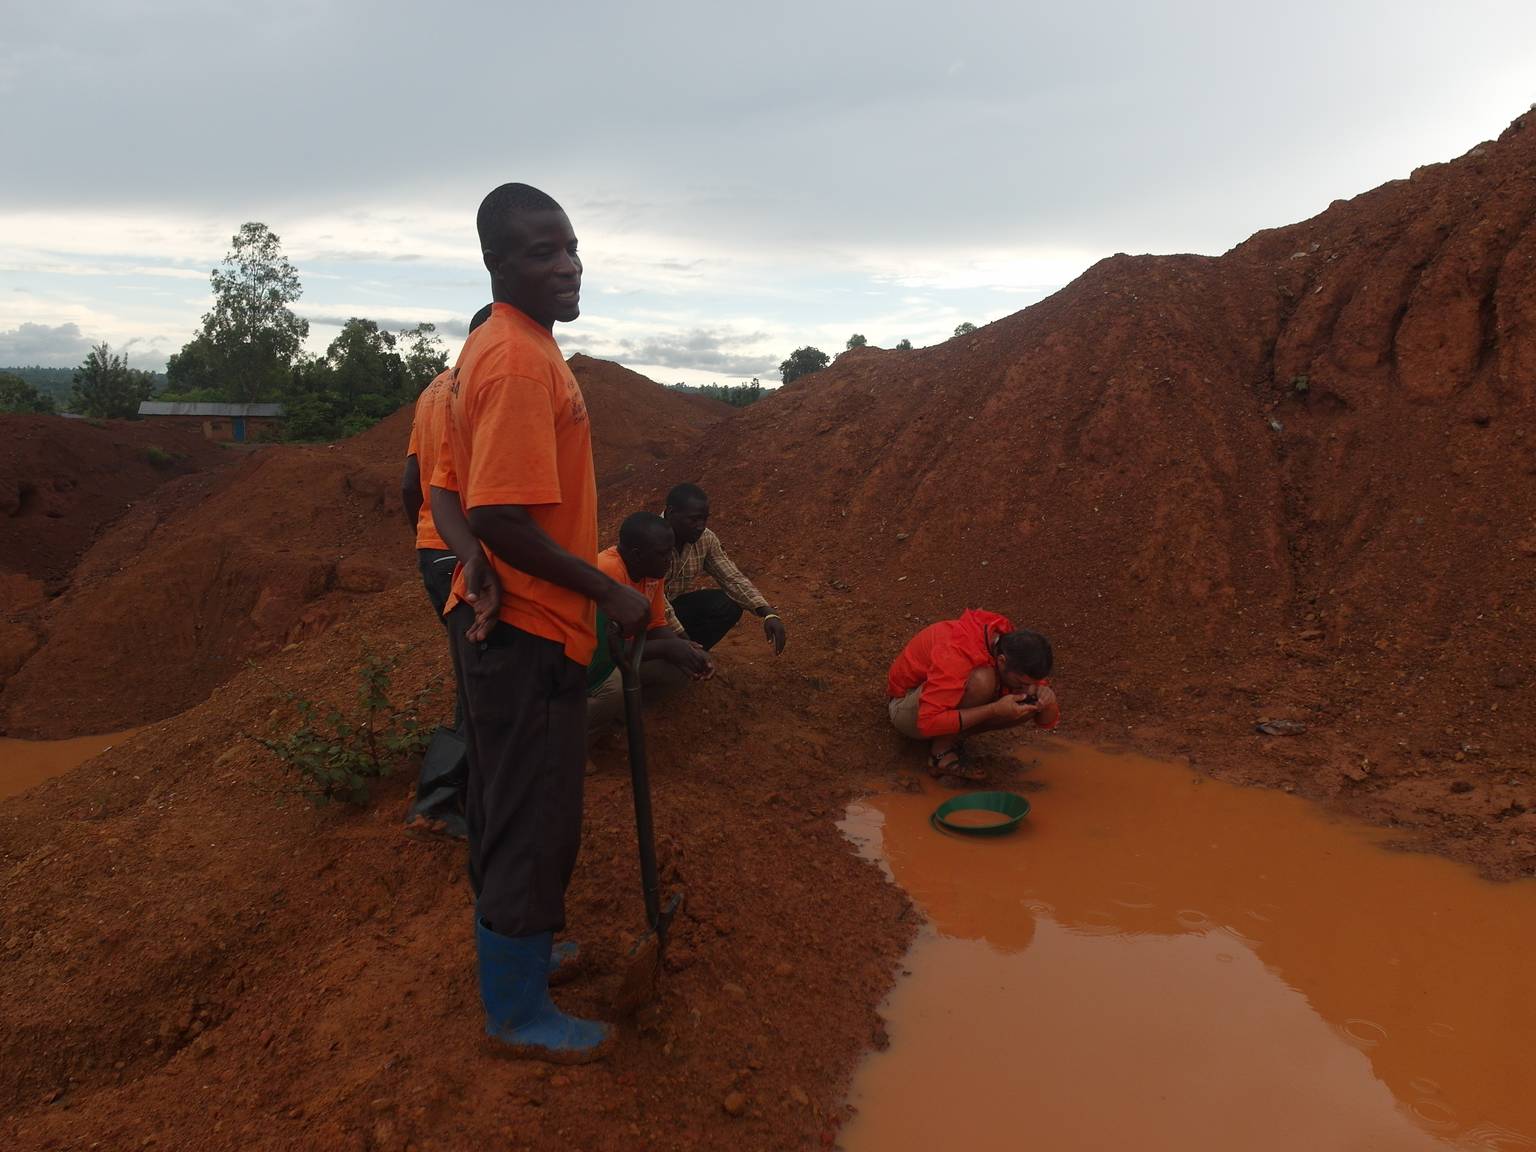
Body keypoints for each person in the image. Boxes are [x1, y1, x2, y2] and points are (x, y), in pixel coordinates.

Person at [428, 182, 650, 1063]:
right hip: (529, 635)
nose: (567, 266)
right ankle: (516, 1014)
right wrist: (611, 594)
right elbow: (502, 516)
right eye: (540, 252)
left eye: (570, 247)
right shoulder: (518, 362)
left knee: (502, 801)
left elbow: (453, 492)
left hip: (503, 622)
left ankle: (520, 956)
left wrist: (470, 559)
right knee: (533, 817)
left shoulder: (484, 348)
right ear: (497, 265)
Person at [400, 304, 494, 839]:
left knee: (471, 673)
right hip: (469, 553)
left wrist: (423, 536)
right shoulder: (484, 385)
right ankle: (438, 799)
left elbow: (411, 482)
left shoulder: (432, 390)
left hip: (434, 550)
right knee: (478, 678)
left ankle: (453, 793)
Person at [887, 609, 1060, 781]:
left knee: (1029, 698)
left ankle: (952, 738)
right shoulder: (959, 652)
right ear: (1001, 661)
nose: (1026, 687)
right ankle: (941, 755)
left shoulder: (1009, 644)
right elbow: (928, 722)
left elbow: (1046, 720)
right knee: (982, 681)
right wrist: (993, 710)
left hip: (936, 702)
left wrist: (1047, 699)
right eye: (1021, 682)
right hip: (905, 708)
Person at [586, 512, 714, 740]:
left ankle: (610, 727)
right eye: (663, 554)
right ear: (637, 555)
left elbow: (655, 624)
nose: (670, 560)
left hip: (618, 654)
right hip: (589, 664)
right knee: (612, 687)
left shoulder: (652, 569)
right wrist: (667, 648)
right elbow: (603, 651)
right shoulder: (606, 573)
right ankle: (576, 741)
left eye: (670, 551)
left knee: (679, 669)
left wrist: (685, 648)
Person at [661, 482, 787, 655]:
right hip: (641, 616)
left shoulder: (705, 539)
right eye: (694, 519)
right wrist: (685, 641)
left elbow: (731, 578)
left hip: (671, 607)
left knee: (728, 604)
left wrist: (768, 612)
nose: (701, 526)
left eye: (704, 519)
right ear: (671, 513)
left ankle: (687, 659)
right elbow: (654, 598)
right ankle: (684, 656)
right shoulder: (648, 537)